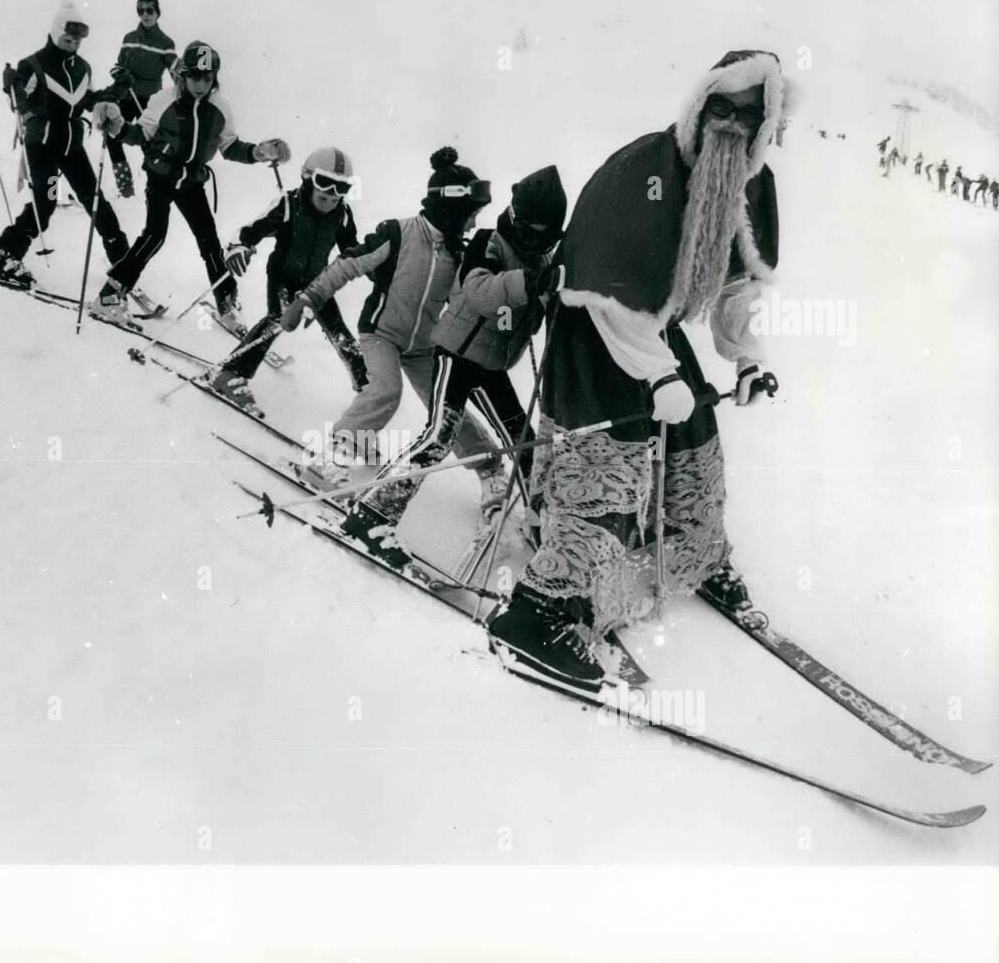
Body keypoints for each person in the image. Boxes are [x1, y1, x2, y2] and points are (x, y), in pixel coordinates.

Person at [487, 50, 792, 689]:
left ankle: (695, 555)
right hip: (595, 320)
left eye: (748, 114)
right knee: (609, 460)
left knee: (695, 437)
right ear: (698, 107)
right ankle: (540, 607)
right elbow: (609, 287)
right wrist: (658, 377)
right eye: (721, 107)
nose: (732, 124)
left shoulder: (748, 183)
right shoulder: (641, 169)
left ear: (767, 124)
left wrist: (747, 360)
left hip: (655, 324)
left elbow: (738, 285)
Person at [337, 165, 569, 569]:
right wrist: (533, 283)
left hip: (493, 365)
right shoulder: (486, 242)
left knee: (525, 441)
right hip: (455, 355)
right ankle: (372, 515)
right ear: (515, 218)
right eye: (530, 230)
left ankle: (542, 522)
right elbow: (480, 292)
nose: (536, 241)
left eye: (545, 235)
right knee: (438, 437)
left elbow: (544, 309)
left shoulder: (542, 260)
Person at [289, 146, 507, 510]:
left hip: (425, 347)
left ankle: (489, 467)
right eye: (470, 215)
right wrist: (309, 298)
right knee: (386, 391)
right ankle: (334, 457)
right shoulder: (399, 233)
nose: (472, 224)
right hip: (381, 335)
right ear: (450, 209)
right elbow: (347, 265)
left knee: (447, 410)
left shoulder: (460, 253)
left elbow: (471, 301)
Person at [88, 40, 290, 318]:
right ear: (183, 74)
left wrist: (258, 152)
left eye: (207, 78)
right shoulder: (163, 100)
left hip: (192, 182)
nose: (200, 84)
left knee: (209, 242)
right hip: (161, 176)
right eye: (194, 76)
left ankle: (227, 302)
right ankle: (110, 294)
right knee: (154, 236)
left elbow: (230, 147)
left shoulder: (220, 108)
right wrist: (118, 126)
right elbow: (140, 135)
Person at [201, 147, 366, 418]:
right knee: (278, 318)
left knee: (341, 334)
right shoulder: (289, 204)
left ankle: (368, 392)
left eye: (341, 188)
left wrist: (373, 265)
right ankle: (230, 375)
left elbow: (352, 252)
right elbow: (252, 229)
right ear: (307, 179)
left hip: (318, 283)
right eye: (324, 183)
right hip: (283, 275)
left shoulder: (343, 215)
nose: (331, 195)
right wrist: (240, 245)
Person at [0, 3, 130, 284]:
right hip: (42, 145)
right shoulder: (34, 64)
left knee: (96, 201)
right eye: (68, 39)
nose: (73, 45)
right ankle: (4, 253)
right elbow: (20, 102)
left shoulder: (83, 68)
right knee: (46, 201)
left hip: (71, 146)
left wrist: (120, 88)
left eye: (77, 41)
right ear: (55, 33)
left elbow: (89, 102)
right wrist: (11, 87)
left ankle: (125, 262)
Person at [102, 0, 177, 198]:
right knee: (112, 135)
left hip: (149, 99)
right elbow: (120, 64)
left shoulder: (165, 43)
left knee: (149, 143)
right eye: (140, 10)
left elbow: (175, 70)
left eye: (149, 10)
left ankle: (155, 183)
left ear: (157, 12)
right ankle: (124, 183)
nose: (145, 14)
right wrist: (119, 72)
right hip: (127, 96)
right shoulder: (129, 38)